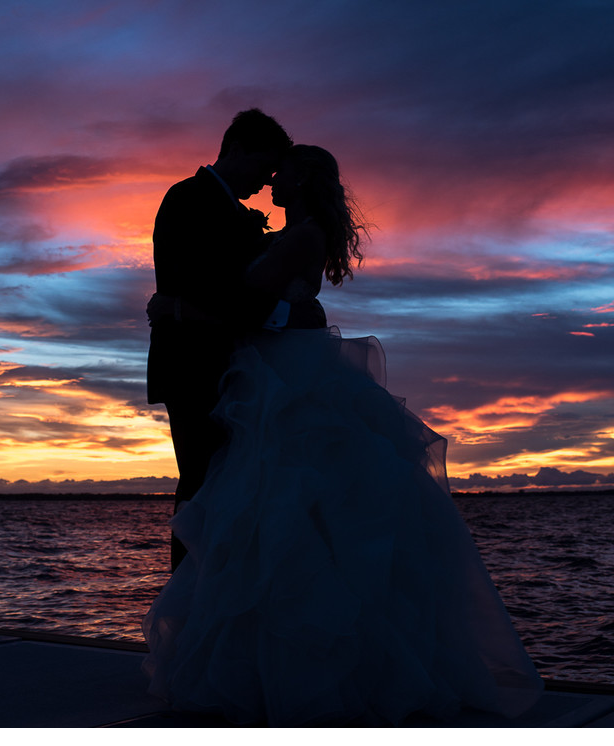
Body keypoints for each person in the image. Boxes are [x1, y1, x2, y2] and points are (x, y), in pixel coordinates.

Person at [143, 144, 544, 726]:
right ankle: (273, 658)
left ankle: (316, 663)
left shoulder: (302, 236)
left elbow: (255, 309)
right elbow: (268, 305)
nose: (272, 177)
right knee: (271, 513)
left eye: (282, 170)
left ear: (302, 179)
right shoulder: (291, 232)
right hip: (276, 373)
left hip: (291, 378)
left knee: (292, 511)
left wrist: (179, 310)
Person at [147, 108, 293, 570]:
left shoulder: (227, 207)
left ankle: (211, 595)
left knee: (222, 484)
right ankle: (187, 603)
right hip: (193, 365)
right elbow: (211, 286)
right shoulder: (189, 198)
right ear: (235, 149)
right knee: (200, 485)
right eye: (263, 166)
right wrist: (289, 316)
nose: (267, 181)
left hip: (227, 365)